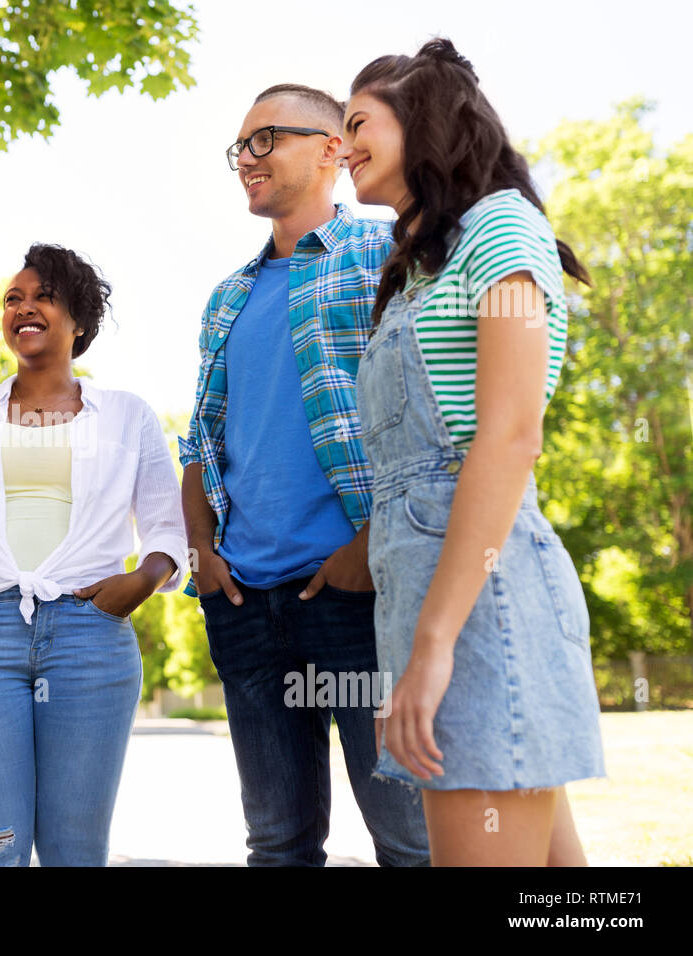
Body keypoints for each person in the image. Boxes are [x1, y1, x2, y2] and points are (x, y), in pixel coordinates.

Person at [342, 39, 605, 865]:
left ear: (420, 120)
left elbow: (510, 437)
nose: (341, 143)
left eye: (357, 121)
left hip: (480, 608)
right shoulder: (417, 271)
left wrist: (435, 645)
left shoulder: (501, 226)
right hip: (433, 598)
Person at [179, 84, 430, 866]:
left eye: (266, 140)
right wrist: (204, 554)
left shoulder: (387, 252)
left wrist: (371, 544)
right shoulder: (227, 296)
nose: (246, 159)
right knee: (278, 845)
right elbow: (199, 442)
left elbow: (433, 409)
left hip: (357, 600)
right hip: (247, 605)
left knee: (412, 842)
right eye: (239, 148)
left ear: (331, 149)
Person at [0, 244, 188, 866]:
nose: (23, 308)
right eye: (13, 299)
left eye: (42, 296)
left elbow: (167, 529)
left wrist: (142, 581)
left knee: (76, 853)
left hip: (91, 641)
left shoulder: (127, 417)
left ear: (79, 317)